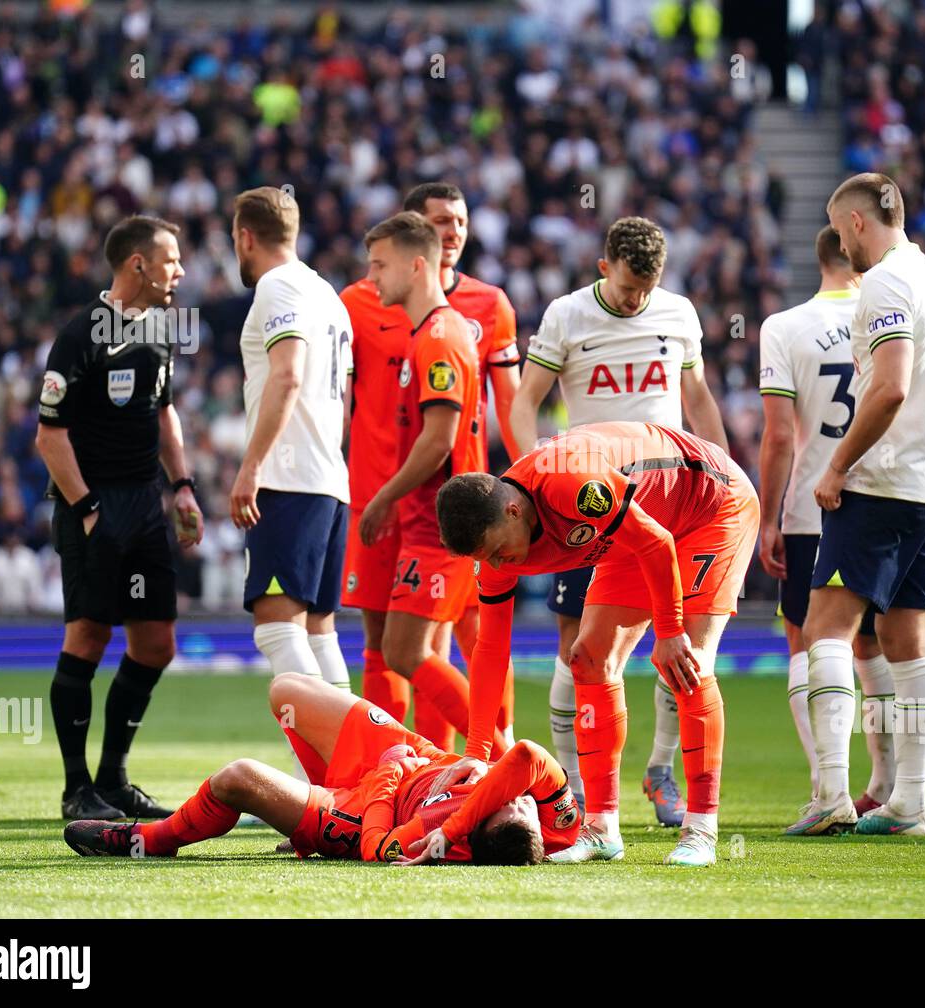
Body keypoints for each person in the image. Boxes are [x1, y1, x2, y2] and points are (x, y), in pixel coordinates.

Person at [432, 421, 760, 867]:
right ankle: (603, 827)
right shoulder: (495, 552)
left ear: (512, 510)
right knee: (588, 660)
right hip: (638, 532)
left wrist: (668, 631)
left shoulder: (572, 484)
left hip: (711, 504)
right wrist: (475, 752)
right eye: (485, 559)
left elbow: (657, 543)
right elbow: (490, 648)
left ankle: (701, 829)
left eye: (496, 551)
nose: (496, 564)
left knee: (688, 664)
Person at [509, 216, 727, 825]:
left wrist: (723, 465)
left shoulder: (678, 313)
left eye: (647, 290)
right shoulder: (566, 316)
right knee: (577, 649)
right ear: (604, 266)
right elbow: (524, 402)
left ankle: (660, 773)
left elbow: (699, 396)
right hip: (586, 501)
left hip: (667, 499)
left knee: (673, 637)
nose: (637, 301)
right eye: (629, 288)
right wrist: (532, 480)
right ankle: (573, 790)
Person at [797, 173, 925, 837]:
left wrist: (838, 464)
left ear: (859, 222)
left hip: (882, 482)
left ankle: (832, 795)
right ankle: (910, 804)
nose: (843, 244)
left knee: (826, 628)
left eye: (841, 231)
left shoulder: (889, 282)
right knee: (906, 641)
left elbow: (891, 387)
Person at [36, 214, 203, 820]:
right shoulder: (80, 336)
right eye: (171, 259)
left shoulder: (161, 332)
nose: (180, 270)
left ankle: (113, 779)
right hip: (94, 502)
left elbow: (164, 414)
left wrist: (181, 485)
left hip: (146, 504)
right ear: (138, 264)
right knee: (88, 635)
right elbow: (47, 438)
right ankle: (76, 789)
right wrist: (85, 510)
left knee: (155, 643)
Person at [341, 182, 519, 750]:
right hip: (401, 503)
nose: (373, 278)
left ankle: (495, 756)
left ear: (411, 263)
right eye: (440, 219)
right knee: (396, 647)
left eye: (380, 266)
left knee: (430, 646)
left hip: (434, 515)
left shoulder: (450, 330)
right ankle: (421, 769)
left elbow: (441, 437)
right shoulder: (382, 314)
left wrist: (388, 496)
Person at [63, 674, 579, 864]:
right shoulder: (553, 830)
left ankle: (149, 839)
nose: (517, 797)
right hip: (411, 751)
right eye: (522, 805)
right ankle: (303, 814)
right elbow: (530, 758)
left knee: (237, 777)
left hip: (363, 807)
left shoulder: (434, 839)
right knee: (285, 691)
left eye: (505, 807)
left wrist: (388, 777)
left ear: (481, 831)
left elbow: (378, 847)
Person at [757, 226, 897, 831]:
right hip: (891, 496)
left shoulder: (785, 326)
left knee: (809, 641)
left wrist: (767, 516)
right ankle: (889, 785)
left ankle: (826, 786)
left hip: (815, 506)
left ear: (819, 259)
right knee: (879, 644)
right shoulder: (895, 313)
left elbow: (782, 435)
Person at [229, 187, 354, 735]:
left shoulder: (277, 285)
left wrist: (252, 466)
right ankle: (357, 774)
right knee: (319, 632)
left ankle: (323, 785)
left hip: (288, 478)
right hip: (327, 477)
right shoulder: (329, 294)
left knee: (278, 632)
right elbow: (342, 398)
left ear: (244, 236)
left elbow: (288, 374)